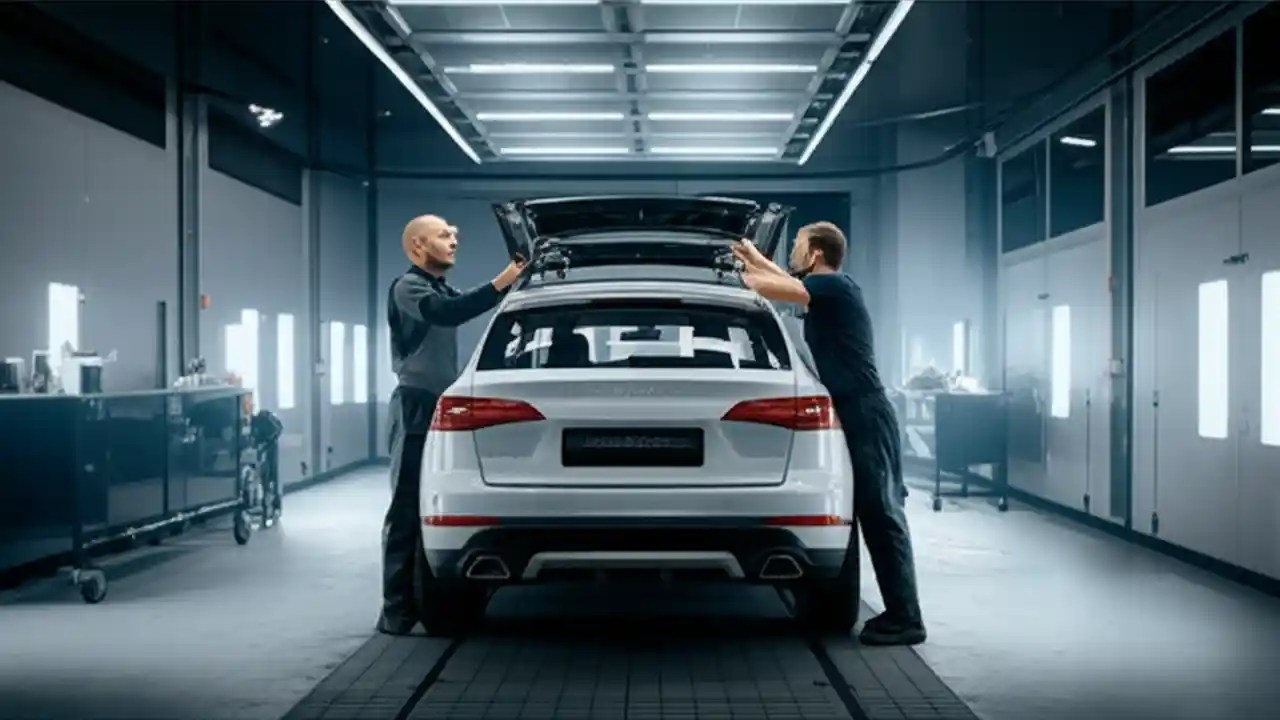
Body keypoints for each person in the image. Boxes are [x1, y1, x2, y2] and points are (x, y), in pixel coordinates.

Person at [732, 222, 926, 646]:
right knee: (869, 513)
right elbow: (782, 281)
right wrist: (747, 253)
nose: (792, 256)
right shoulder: (824, 289)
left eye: (798, 247)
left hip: (866, 411)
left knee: (882, 514)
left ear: (816, 254)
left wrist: (733, 276)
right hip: (854, 410)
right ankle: (900, 612)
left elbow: (777, 288)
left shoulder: (836, 287)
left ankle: (906, 617)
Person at [378, 214, 525, 635]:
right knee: (407, 509)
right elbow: (448, 313)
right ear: (418, 246)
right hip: (415, 406)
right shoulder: (409, 287)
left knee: (427, 508)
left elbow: (463, 303)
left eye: (455, 233)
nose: (454, 240)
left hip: (436, 405)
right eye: (444, 235)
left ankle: (419, 601)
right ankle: (396, 612)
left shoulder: (440, 286)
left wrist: (514, 283)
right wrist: (504, 280)